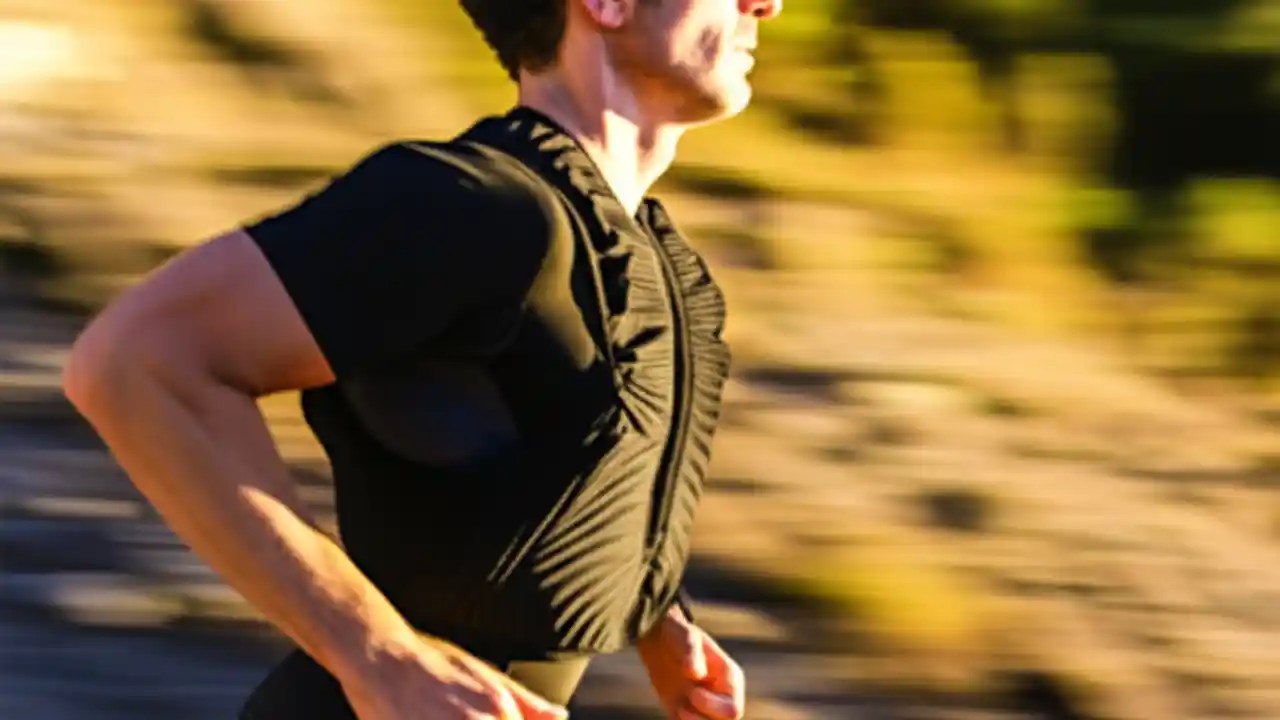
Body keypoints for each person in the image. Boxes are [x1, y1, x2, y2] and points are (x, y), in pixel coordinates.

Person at [62, 0, 783, 717]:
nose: (766, 5)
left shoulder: (653, 260)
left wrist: (648, 606)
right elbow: (133, 361)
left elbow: (546, 452)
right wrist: (378, 654)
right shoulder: (471, 205)